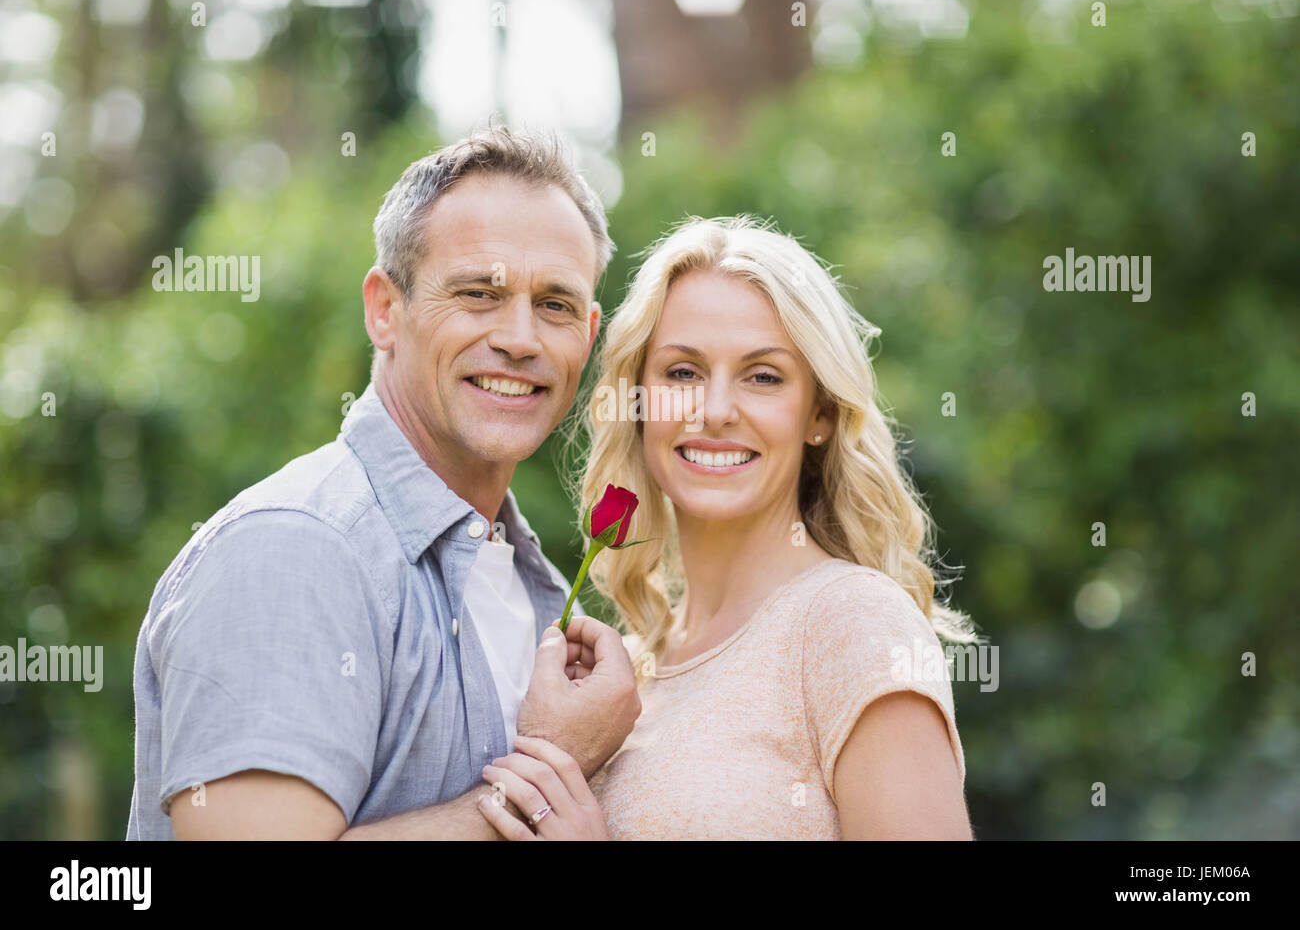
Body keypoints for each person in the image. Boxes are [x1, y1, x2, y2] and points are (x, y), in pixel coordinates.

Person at [126, 127, 641, 840]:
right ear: (384, 310)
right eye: (478, 292)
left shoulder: (538, 588)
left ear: (586, 336)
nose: (521, 338)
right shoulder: (294, 551)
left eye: (554, 305)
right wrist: (546, 775)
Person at [476, 215, 980, 839]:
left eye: (763, 377)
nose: (714, 411)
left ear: (818, 413)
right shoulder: (621, 677)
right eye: (682, 373)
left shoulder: (853, 624)